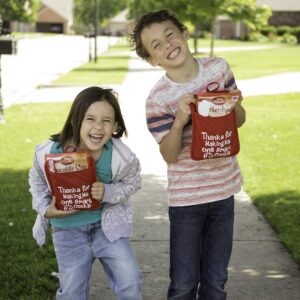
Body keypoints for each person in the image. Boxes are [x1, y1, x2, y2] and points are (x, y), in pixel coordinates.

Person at [129, 9, 246, 300]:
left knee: (216, 279)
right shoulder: (158, 99)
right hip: (186, 199)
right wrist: (180, 121)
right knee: (183, 282)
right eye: (156, 45)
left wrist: (234, 104)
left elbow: (240, 119)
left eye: (170, 34)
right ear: (151, 60)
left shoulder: (219, 69)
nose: (167, 44)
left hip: (223, 191)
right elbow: (169, 155)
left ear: (185, 32)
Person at [29, 86, 142, 300]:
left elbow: (133, 182)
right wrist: (45, 208)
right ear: (76, 120)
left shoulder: (121, 156)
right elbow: (36, 179)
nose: (98, 127)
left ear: (116, 125)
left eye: (107, 121)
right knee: (72, 292)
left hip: (105, 229)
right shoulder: (49, 152)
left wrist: (108, 191)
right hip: (67, 232)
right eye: (90, 119)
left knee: (130, 280)